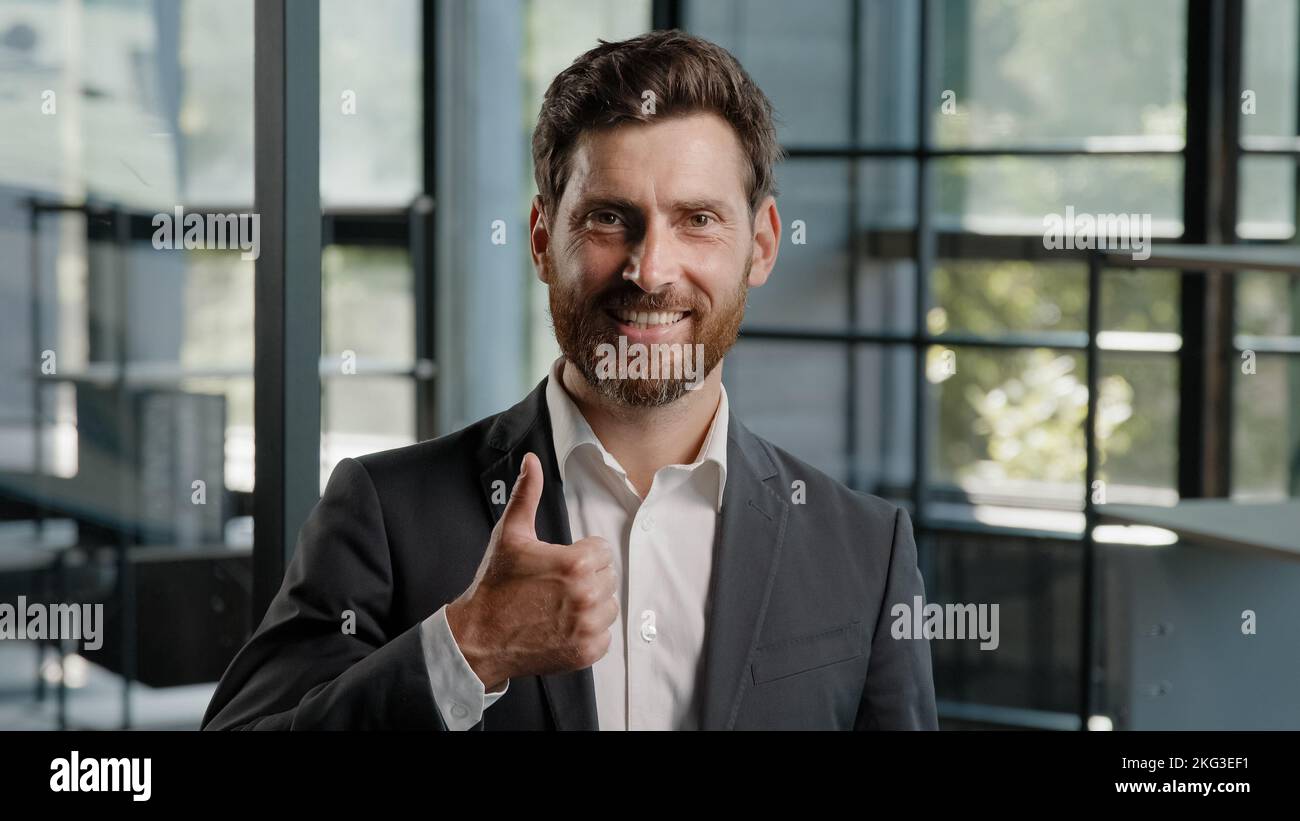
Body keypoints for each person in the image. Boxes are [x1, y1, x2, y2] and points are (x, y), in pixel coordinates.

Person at [202, 29, 937, 731]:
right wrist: (468, 648)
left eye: (698, 219)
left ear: (762, 245)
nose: (650, 271)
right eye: (610, 218)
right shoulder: (384, 513)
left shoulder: (866, 553)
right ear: (542, 239)